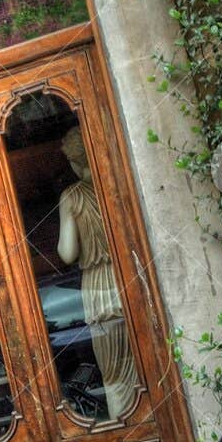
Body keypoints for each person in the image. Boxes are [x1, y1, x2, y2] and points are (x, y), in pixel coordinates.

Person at [57, 126, 140, 419]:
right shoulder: (115, 185)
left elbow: (67, 253)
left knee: (114, 379)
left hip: (98, 288)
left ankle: (129, 439)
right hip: (128, 278)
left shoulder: (72, 196)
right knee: (145, 371)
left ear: (74, 161)